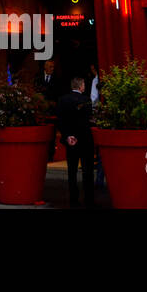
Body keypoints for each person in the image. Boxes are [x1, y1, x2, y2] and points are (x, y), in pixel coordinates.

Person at [56, 77, 94, 207]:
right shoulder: (86, 100)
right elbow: (88, 118)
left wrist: (67, 136)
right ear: (81, 86)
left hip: (70, 140)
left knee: (71, 170)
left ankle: (73, 198)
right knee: (87, 170)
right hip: (85, 140)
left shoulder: (62, 100)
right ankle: (89, 198)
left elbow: (60, 121)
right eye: (84, 84)